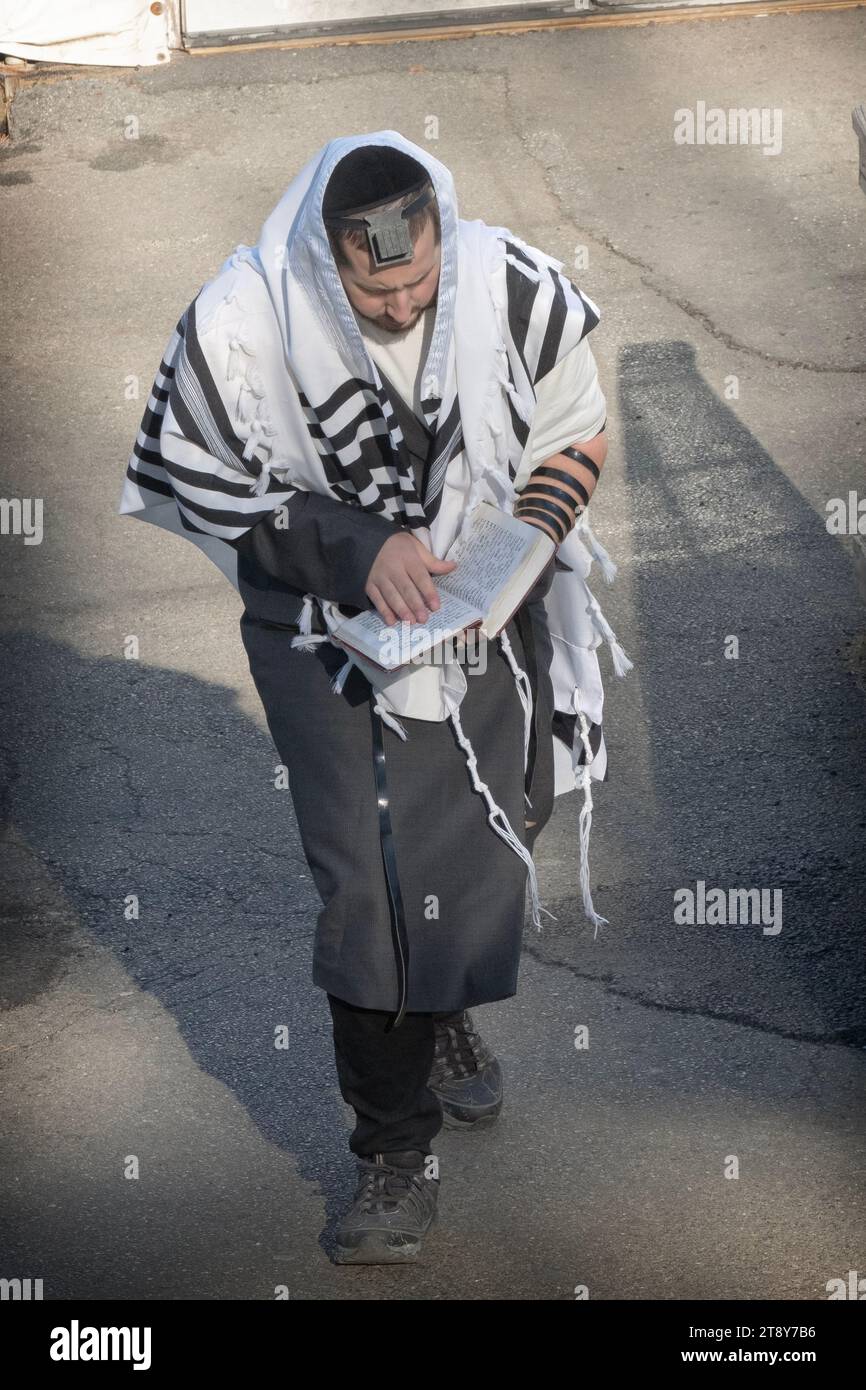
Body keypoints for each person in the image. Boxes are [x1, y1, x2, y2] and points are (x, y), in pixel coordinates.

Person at [119, 131, 630, 1265]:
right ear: (324, 259)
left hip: (481, 604)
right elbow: (197, 483)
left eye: (418, 279)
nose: (402, 304)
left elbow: (578, 428)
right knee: (372, 884)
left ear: (442, 234)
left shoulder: (511, 284)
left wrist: (528, 541)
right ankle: (390, 1153)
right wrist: (356, 546)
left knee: (499, 830)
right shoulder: (239, 321)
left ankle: (437, 1009)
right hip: (319, 631)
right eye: (374, 286)